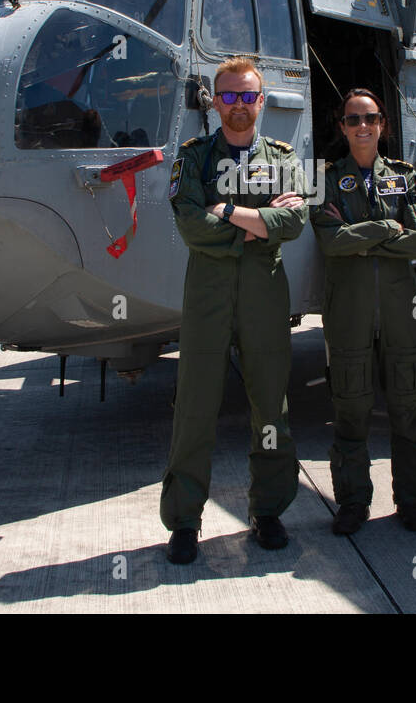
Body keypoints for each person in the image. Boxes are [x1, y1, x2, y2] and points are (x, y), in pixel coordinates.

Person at [162, 56, 308, 564]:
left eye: (248, 96)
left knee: (270, 403)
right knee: (195, 403)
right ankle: (184, 520)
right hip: (208, 289)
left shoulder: (284, 156)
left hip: (265, 291)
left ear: (261, 101)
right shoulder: (195, 157)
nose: (239, 105)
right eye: (229, 96)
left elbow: (295, 223)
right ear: (216, 101)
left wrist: (223, 209)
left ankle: (267, 512)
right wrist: (257, 224)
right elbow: (188, 223)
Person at [311, 89, 416, 534]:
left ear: (382, 124)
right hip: (349, 313)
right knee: (350, 409)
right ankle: (352, 502)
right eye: (352, 120)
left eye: (370, 118)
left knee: (407, 407)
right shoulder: (327, 179)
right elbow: (330, 242)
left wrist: (356, 235)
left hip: (401, 312)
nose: (362, 127)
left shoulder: (405, 177)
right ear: (342, 127)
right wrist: (386, 227)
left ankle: (411, 500)